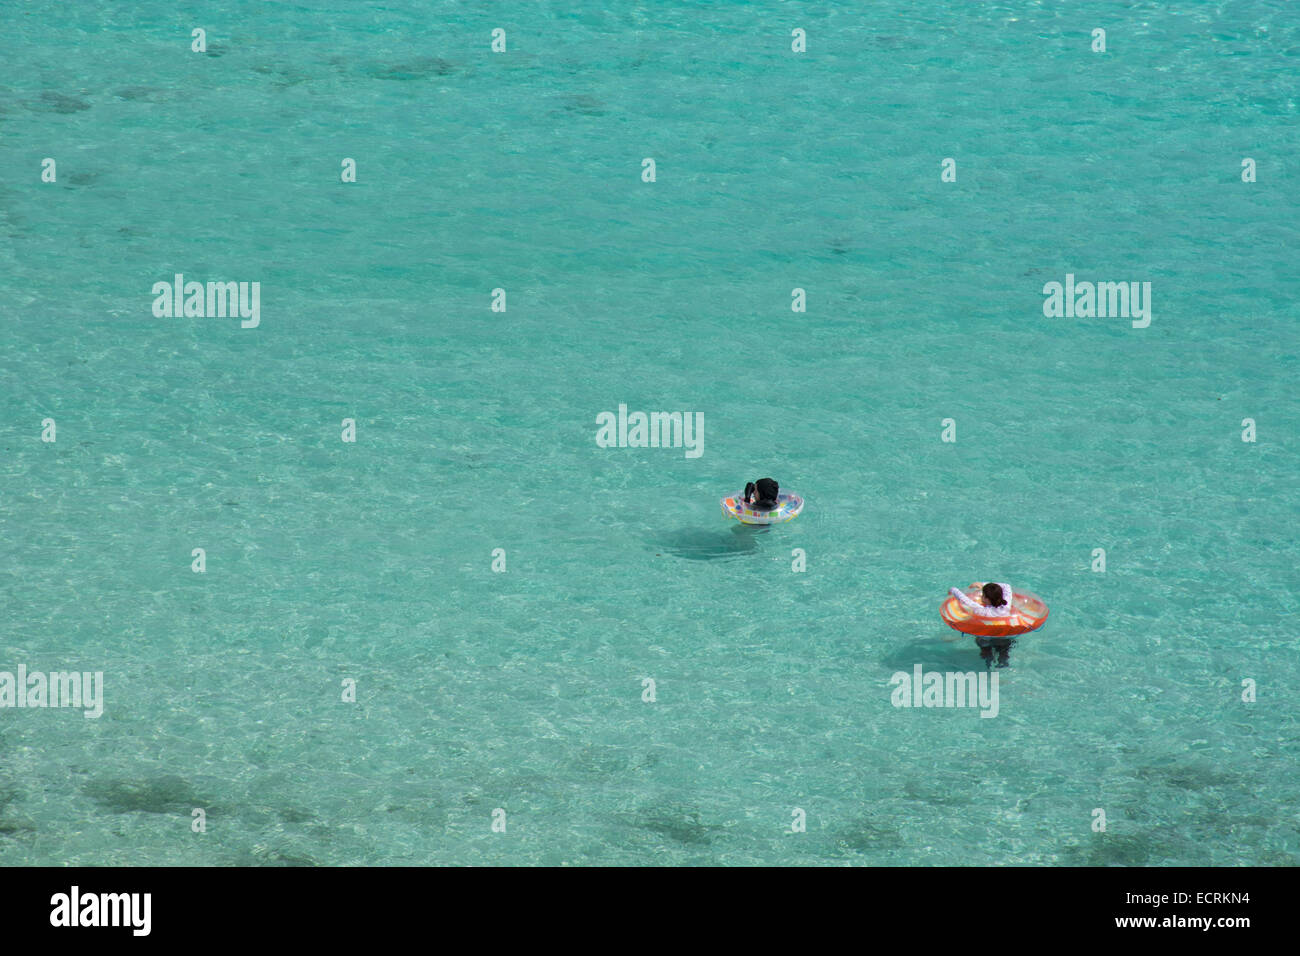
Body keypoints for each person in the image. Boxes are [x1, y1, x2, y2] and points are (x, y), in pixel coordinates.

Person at [949, 582, 1016, 667]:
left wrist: (953, 589)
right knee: (1004, 652)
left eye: (983, 595)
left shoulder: (983, 612)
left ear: (987, 599)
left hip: (986, 638)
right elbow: (1007, 586)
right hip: (1004, 637)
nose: (981, 596)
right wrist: (983, 584)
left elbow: (965, 601)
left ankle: (988, 664)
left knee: (982, 644)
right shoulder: (1006, 606)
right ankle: (1002, 664)